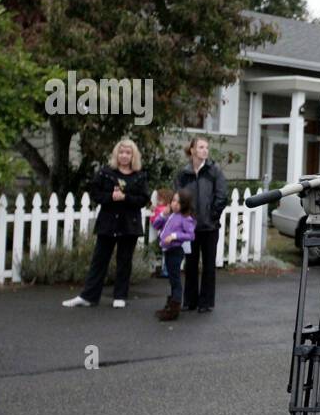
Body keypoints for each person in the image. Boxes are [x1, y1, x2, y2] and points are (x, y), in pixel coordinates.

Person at [63, 139, 151, 309]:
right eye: (121, 152)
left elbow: (143, 199)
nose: (124, 156)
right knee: (99, 260)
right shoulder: (105, 172)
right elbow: (95, 193)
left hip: (128, 224)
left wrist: (126, 198)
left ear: (133, 155)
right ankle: (88, 296)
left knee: (124, 261)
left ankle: (120, 296)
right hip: (108, 222)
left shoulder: (139, 176)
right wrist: (110, 197)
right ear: (116, 154)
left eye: (128, 153)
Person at [174, 136, 228, 313]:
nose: (205, 150)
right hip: (190, 228)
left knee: (209, 266)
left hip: (210, 228)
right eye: (201, 147)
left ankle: (206, 302)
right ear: (192, 150)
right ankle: (190, 301)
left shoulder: (214, 171)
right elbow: (179, 197)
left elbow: (222, 196)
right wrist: (184, 218)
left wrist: (212, 216)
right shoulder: (183, 174)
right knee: (190, 264)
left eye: (207, 147)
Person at [152, 189, 196, 322]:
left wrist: (174, 236)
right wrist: (162, 216)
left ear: (185, 204)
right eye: (174, 201)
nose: (175, 204)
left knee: (175, 280)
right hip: (168, 250)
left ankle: (174, 309)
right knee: (172, 279)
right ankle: (170, 305)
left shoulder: (185, 218)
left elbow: (190, 235)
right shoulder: (171, 215)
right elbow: (156, 225)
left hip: (176, 250)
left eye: (179, 202)